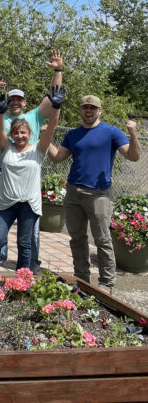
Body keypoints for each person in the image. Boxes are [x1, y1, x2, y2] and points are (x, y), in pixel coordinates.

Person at [0, 50, 64, 270]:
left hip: (29, 175)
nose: (14, 102)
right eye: (11, 99)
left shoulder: (34, 116)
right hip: (5, 176)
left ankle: (28, 271)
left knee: (27, 240)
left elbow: (54, 98)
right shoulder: (2, 116)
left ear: (24, 102)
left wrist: (57, 70)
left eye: (18, 99)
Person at [48, 95, 141, 291]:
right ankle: (82, 280)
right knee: (77, 239)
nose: (88, 111)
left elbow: (133, 156)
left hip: (99, 194)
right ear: (80, 110)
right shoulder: (73, 134)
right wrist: (46, 136)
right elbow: (57, 158)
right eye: (85, 107)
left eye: (92, 108)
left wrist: (133, 134)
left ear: (100, 111)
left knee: (102, 239)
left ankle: (107, 284)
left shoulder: (112, 132)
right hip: (74, 192)